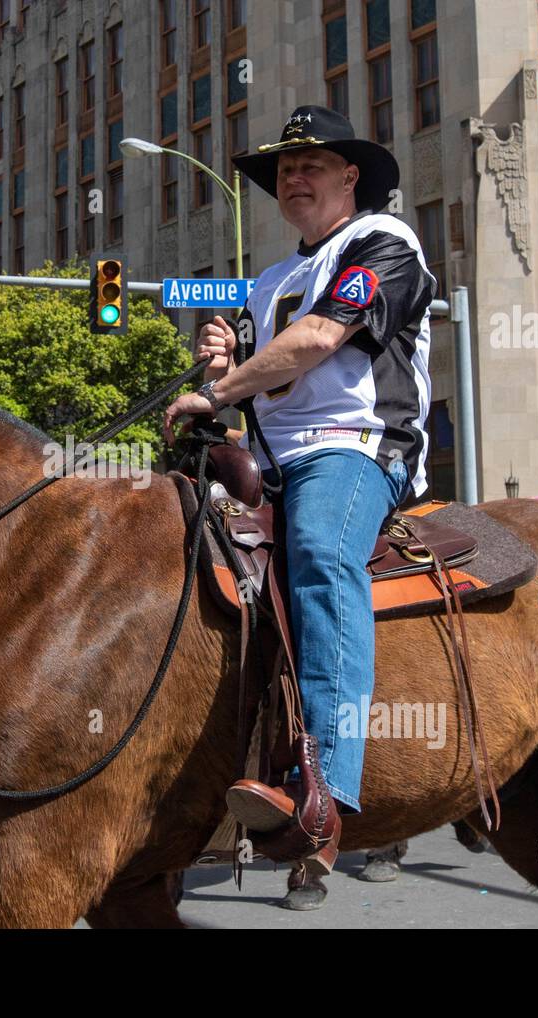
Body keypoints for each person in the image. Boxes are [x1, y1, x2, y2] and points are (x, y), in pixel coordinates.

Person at [164, 106, 434, 874]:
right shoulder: (270, 281)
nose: (295, 178)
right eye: (285, 170)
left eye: (312, 165)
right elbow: (253, 383)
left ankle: (326, 783)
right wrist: (219, 363)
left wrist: (219, 394)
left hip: (355, 450)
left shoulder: (384, 243)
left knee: (318, 553)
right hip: (271, 464)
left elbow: (318, 340)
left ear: (351, 177)